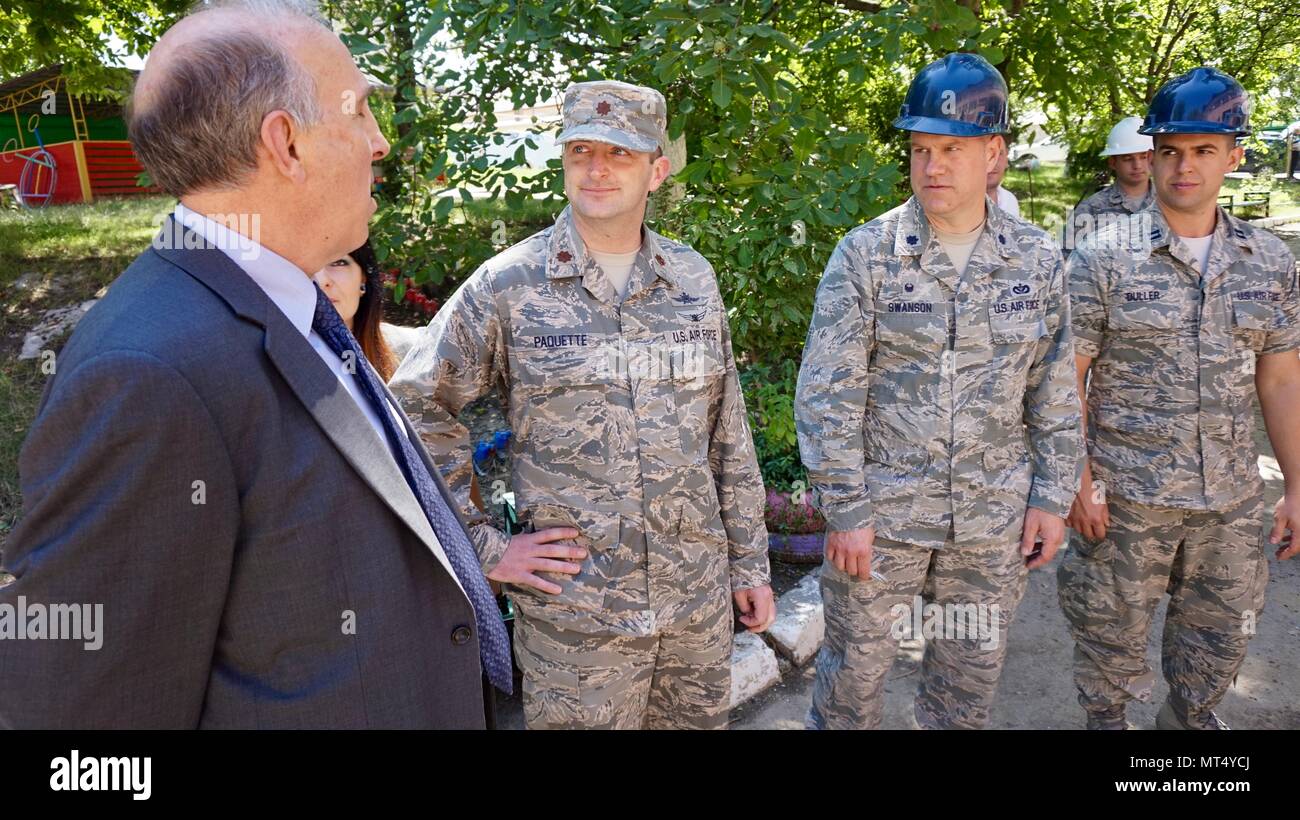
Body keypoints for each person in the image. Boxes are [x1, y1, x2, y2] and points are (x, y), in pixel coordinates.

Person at [0, 0, 503, 728]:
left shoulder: (283, 300)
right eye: (359, 112)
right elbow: (80, 729)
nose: (379, 143)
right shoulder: (150, 374)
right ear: (287, 144)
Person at [389, 80, 775, 730]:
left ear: (656, 170)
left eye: (619, 154)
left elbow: (725, 431)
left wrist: (750, 564)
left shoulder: (692, 280)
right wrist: (482, 545)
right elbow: (417, 406)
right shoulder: (510, 285)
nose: (596, 169)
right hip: (578, 627)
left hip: (694, 610)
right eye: (581, 151)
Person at [795, 52, 1082, 730]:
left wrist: (1051, 496)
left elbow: (1054, 388)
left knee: (967, 689)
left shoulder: (1037, 259)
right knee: (852, 685)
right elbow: (828, 390)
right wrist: (845, 508)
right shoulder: (866, 254)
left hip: (992, 516)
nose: (932, 167)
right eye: (922, 149)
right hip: (882, 520)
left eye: (952, 149)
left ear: (995, 155)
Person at [1058, 66, 1300, 730]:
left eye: (1201, 150)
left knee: (1217, 647)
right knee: (1107, 650)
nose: (1182, 166)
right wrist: (1076, 479)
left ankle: (1187, 726)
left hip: (1228, 503)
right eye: (1170, 150)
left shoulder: (1269, 261)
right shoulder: (1103, 258)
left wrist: (1298, 486)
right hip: (1126, 503)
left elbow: (1280, 378)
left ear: (1233, 156)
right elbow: (1063, 381)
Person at [314, 240, 404, 380]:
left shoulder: (408, 353)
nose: (321, 281)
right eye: (305, 267)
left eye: (338, 262)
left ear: (363, 278)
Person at [1066, 116, 1154, 252]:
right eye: (1128, 158)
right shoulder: (1090, 209)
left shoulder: (1172, 202)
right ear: (1113, 162)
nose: (1137, 165)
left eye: (1143, 157)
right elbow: (1067, 260)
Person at [986, 139, 1020, 217]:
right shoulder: (956, 206)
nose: (993, 162)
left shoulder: (1010, 200)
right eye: (985, 152)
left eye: (999, 153)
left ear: (1006, 160)